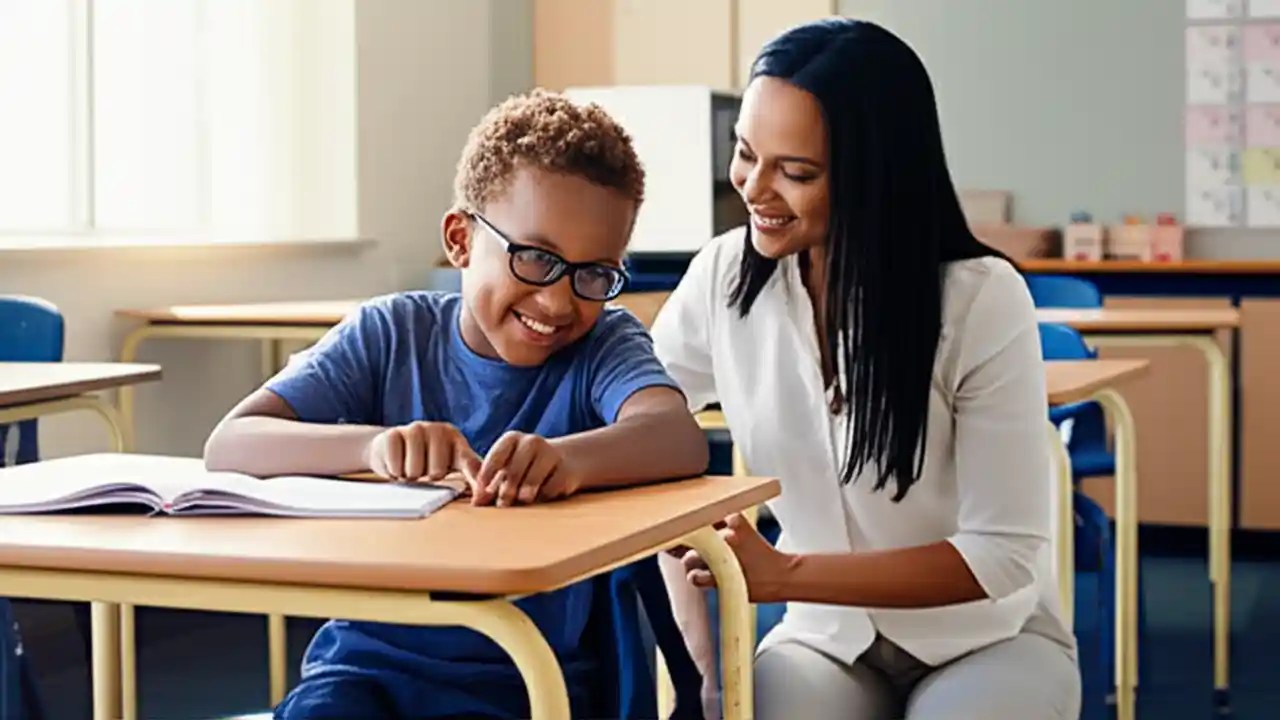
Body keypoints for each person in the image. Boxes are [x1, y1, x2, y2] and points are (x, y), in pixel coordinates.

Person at [204, 90, 710, 718]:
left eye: (593, 274)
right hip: (364, 667)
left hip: (527, 680)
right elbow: (232, 443)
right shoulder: (391, 333)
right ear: (461, 240)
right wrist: (369, 446)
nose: (558, 302)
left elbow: (676, 436)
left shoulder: (603, 342)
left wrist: (569, 460)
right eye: (535, 258)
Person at [652, 18, 1080, 720]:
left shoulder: (978, 298)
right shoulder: (726, 275)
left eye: (796, 172)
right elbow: (643, 408)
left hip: (990, 637)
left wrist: (786, 573)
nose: (754, 189)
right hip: (825, 639)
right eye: (745, 154)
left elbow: (1001, 556)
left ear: (877, 175)